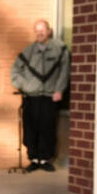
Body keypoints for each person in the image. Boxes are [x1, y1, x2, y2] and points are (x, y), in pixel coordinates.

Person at [11, 19, 70, 171]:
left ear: (49, 31)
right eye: (37, 31)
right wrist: (25, 86)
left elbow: (65, 71)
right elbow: (15, 71)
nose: (39, 33)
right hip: (31, 97)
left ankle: (45, 160)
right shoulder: (28, 51)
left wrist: (59, 90)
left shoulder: (60, 49)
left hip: (50, 97)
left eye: (42, 30)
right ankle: (34, 159)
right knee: (30, 129)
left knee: (47, 129)